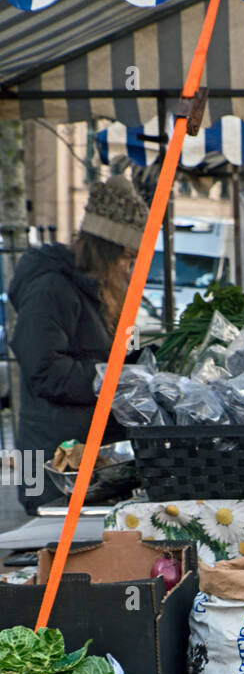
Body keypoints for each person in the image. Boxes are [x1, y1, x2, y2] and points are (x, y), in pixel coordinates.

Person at [9, 176, 148, 512]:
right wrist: (110, 378)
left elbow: (95, 352)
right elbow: (45, 370)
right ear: (106, 252)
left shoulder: (92, 289)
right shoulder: (50, 289)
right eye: (127, 259)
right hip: (51, 469)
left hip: (83, 463)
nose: (130, 270)